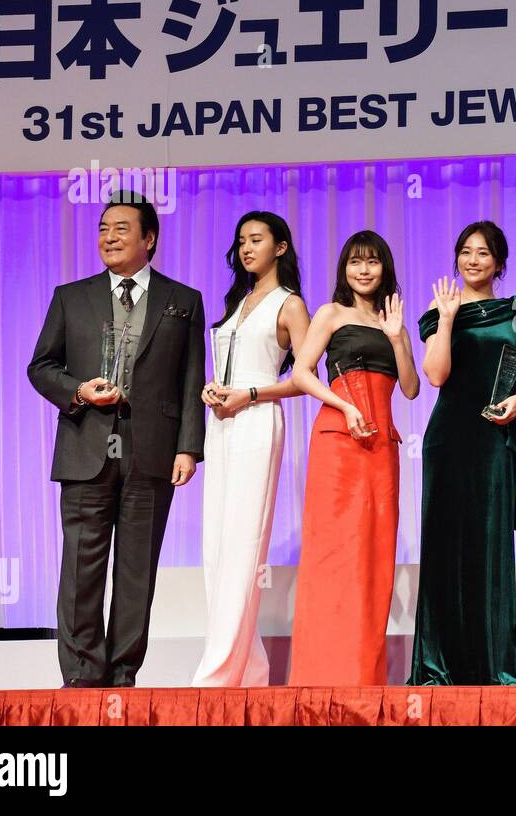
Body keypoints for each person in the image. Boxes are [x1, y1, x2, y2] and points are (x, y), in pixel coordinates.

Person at [27, 191, 205, 688]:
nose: (109, 236)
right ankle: (83, 675)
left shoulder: (182, 301)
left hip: (151, 452)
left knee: (136, 572)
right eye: (104, 228)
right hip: (86, 448)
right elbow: (41, 367)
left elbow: (192, 378)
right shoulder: (71, 296)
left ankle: (123, 674)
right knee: (81, 570)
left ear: (150, 238)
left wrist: (189, 446)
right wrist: (78, 391)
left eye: (122, 228)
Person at [289, 231, 419, 686]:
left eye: (373, 262)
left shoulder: (391, 321)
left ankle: (362, 674)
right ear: (344, 269)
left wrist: (398, 338)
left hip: (381, 447)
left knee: (374, 557)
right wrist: (344, 406)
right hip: (337, 443)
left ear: (385, 269)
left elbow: (410, 388)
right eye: (355, 262)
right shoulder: (330, 314)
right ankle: (320, 673)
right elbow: (301, 372)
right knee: (333, 556)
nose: (363, 271)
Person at [410, 222, 516, 686]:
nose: (473, 260)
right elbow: (436, 376)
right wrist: (444, 319)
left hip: (493, 439)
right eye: (465, 251)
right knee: (445, 549)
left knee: (490, 548)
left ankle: (492, 666)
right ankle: (438, 665)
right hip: (448, 441)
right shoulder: (440, 307)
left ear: (499, 262)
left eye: (484, 253)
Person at [192, 212, 310, 687]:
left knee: (242, 546)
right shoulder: (239, 300)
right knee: (216, 547)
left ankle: (216, 674)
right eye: (241, 240)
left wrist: (253, 394)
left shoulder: (290, 303)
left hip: (258, 421)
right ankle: (249, 667)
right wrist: (212, 388)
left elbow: (306, 377)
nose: (246, 248)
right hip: (221, 423)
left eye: (256, 240)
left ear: (279, 247)